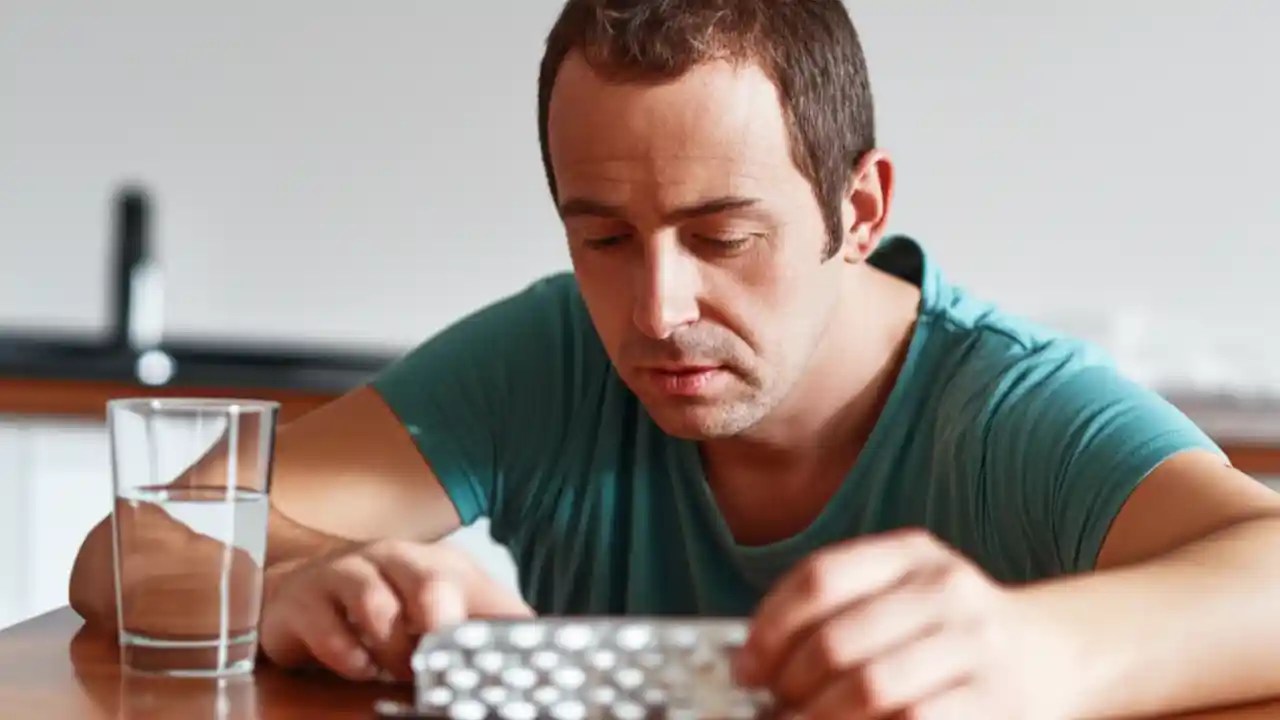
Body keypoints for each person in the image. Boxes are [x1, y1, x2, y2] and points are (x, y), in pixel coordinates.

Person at [69, 0, 1280, 717]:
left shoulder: (1004, 403)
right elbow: (131, 541)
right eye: (601, 236)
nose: (654, 310)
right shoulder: (548, 354)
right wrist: (295, 578)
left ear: (857, 210)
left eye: (722, 237)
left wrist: (1034, 651)